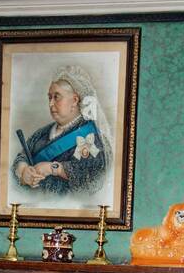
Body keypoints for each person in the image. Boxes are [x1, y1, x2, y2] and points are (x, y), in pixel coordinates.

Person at [12, 64, 112, 196]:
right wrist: (24, 171)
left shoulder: (91, 137)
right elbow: (22, 156)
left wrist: (54, 168)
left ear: (75, 100)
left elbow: (92, 176)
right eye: (49, 97)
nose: (50, 104)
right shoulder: (41, 133)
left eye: (56, 97)